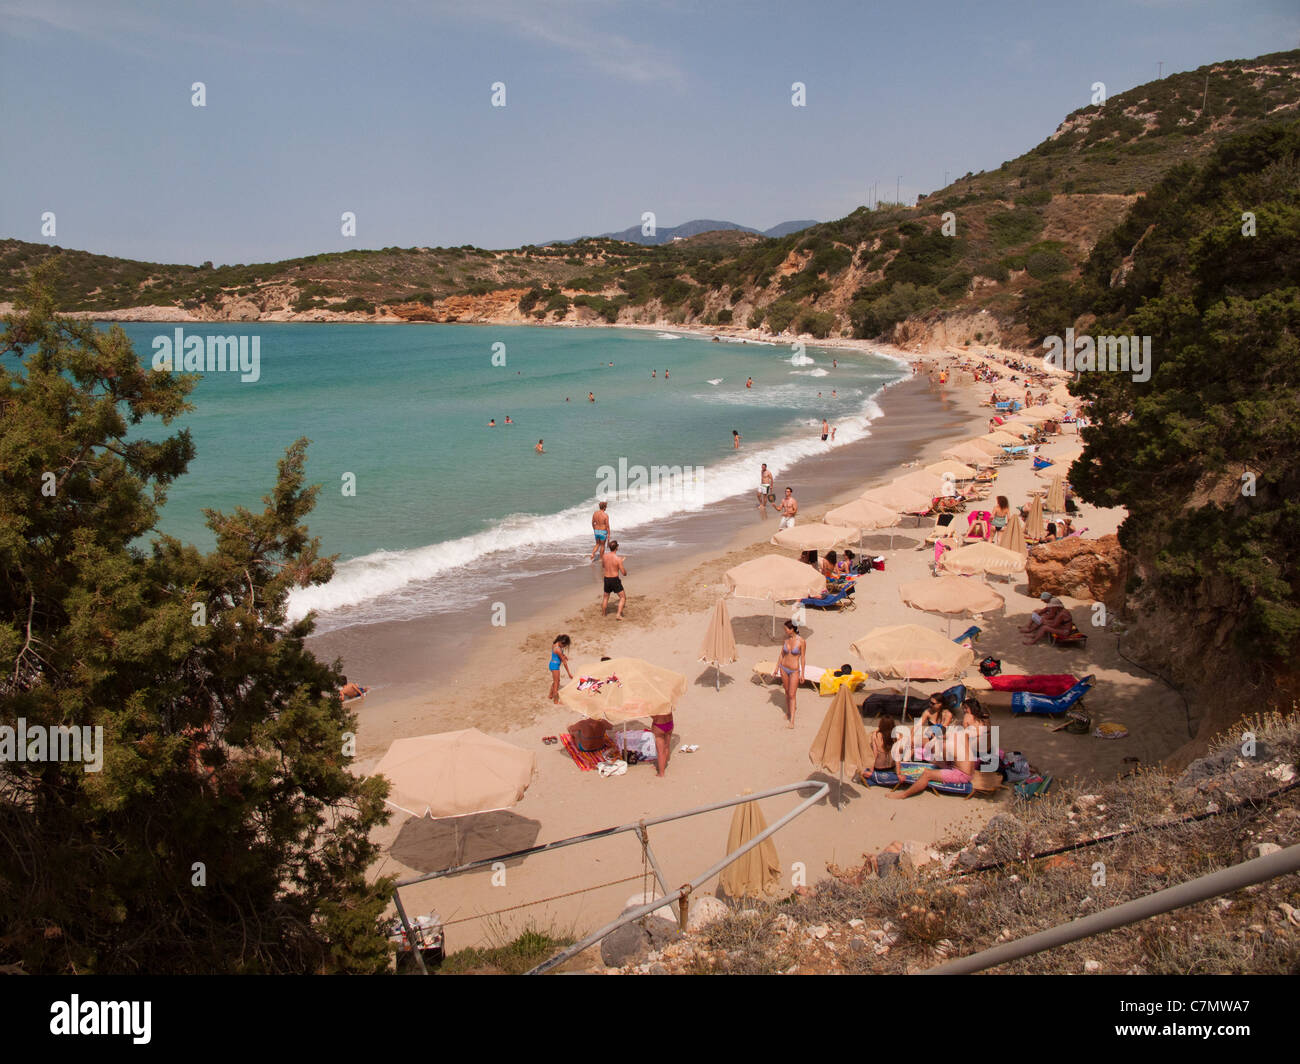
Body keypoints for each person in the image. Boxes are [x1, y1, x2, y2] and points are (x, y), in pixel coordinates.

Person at [890, 702, 979, 799]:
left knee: (927, 774)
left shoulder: (948, 744)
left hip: (962, 775)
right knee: (938, 763)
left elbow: (946, 759)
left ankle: (903, 795)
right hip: (970, 773)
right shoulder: (963, 736)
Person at [773, 619, 806, 728]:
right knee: (787, 692)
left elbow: (803, 658)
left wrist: (802, 674)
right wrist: (777, 667)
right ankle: (788, 712)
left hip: (794, 670)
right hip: (783, 668)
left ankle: (792, 720)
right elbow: (781, 654)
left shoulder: (801, 641)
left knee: (792, 694)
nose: (784, 631)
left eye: (786, 629)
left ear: (792, 629)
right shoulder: (786, 640)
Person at [868, 714, 902, 778]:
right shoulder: (897, 735)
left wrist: (870, 771)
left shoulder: (875, 735)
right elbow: (897, 755)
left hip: (878, 767)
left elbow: (875, 754)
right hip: (891, 767)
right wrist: (898, 774)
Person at [600, 539, 627, 619]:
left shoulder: (604, 556)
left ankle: (604, 614)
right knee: (623, 597)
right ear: (617, 547)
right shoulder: (618, 559)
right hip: (614, 579)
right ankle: (618, 614)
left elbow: (603, 566)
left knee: (605, 597)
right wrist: (621, 562)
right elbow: (624, 573)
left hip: (606, 579)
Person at [548, 634, 572, 703]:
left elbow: (559, 654)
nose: (564, 647)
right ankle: (556, 701)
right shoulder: (558, 649)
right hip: (555, 667)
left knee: (556, 681)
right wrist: (568, 673)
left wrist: (563, 655)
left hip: (552, 664)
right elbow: (564, 663)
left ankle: (550, 695)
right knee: (557, 683)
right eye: (564, 645)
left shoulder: (555, 644)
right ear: (561, 643)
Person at [649, 710, 674, 776]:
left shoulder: (655, 704)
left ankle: (661, 773)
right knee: (666, 746)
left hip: (659, 726)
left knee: (660, 751)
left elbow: (653, 716)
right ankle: (663, 764)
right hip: (670, 723)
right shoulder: (668, 701)